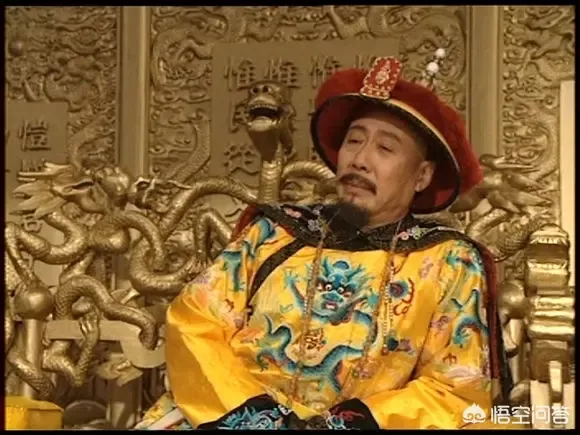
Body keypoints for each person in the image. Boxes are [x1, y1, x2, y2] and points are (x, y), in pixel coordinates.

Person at [135, 54, 512, 430]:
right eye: (354, 141)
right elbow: (195, 320)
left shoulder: (448, 260)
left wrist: (347, 424)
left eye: (385, 148)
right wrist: (259, 419)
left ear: (422, 176)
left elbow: (454, 388)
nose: (360, 160)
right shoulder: (275, 232)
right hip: (233, 418)